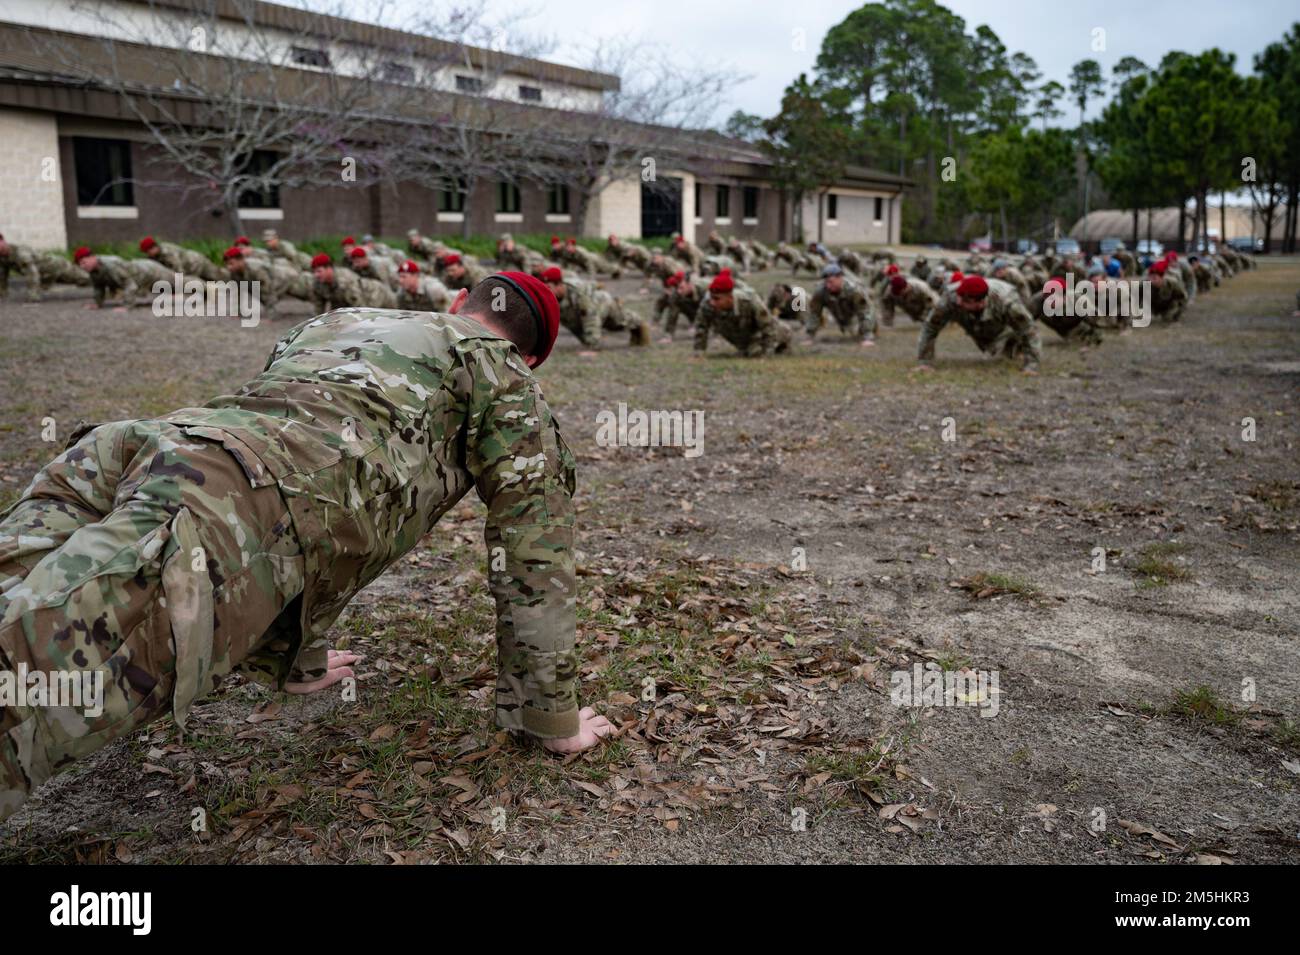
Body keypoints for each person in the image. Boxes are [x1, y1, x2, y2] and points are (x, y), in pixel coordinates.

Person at [0, 271, 611, 822]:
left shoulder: (335, 321)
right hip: (211, 500)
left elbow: (310, 467)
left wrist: (300, 656)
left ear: (457, 302)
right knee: (21, 694)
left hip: (122, 452)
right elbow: (534, 551)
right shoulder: (504, 373)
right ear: (529, 358)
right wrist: (548, 716)